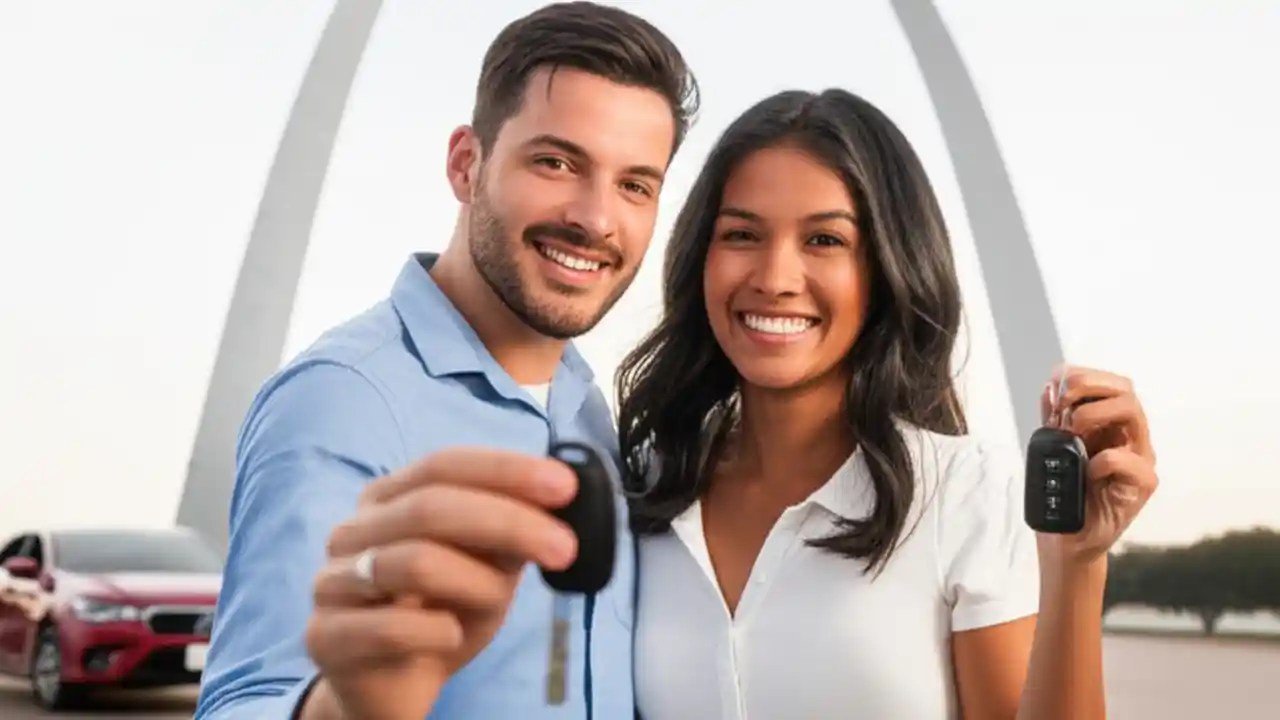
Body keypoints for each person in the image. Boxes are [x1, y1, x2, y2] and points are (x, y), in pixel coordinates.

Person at [193, 3, 698, 719]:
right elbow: (243, 702)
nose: (596, 218)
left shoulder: (586, 410)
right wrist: (342, 705)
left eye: (635, 185)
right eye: (556, 162)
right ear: (467, 164)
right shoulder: (344, 400)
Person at [616, 89, 1158, 719]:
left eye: (823, 240)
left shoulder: (966, 494)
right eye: (741, 233)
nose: (774, 277)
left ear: (889, 266)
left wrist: (1077, 566)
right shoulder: (639, 488)